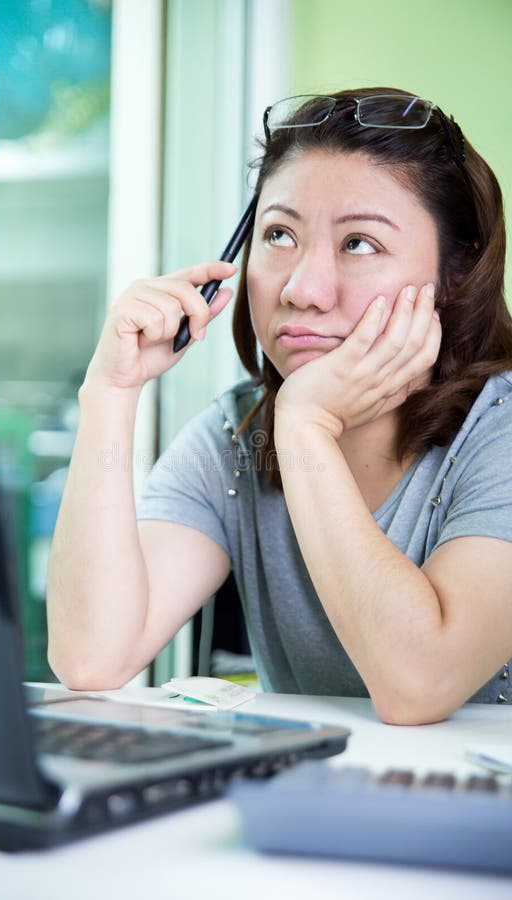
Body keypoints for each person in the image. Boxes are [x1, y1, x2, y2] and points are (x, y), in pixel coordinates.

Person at [47, 87, 512, 725]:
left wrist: (306, 427)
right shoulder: (235, 436)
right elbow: (91, 656)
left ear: (455, 277)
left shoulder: (500, 434)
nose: (301, 289)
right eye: (279, 234)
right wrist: (109, 391)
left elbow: (419, 684)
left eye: (359, 244)